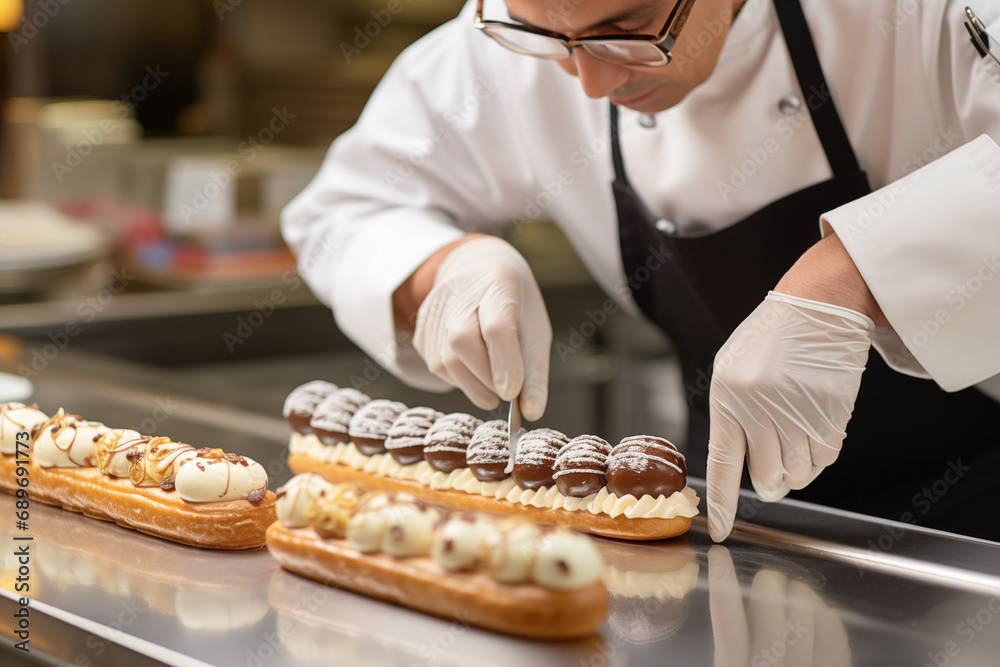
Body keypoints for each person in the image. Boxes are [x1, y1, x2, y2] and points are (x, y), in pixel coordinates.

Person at [282, 0, 1000, 542]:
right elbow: (344, 206)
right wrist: (440, 265)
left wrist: (846, 277)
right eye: (547, 39)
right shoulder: (516, 29)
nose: (593, 82)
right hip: (737, 523)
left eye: (628, 30)